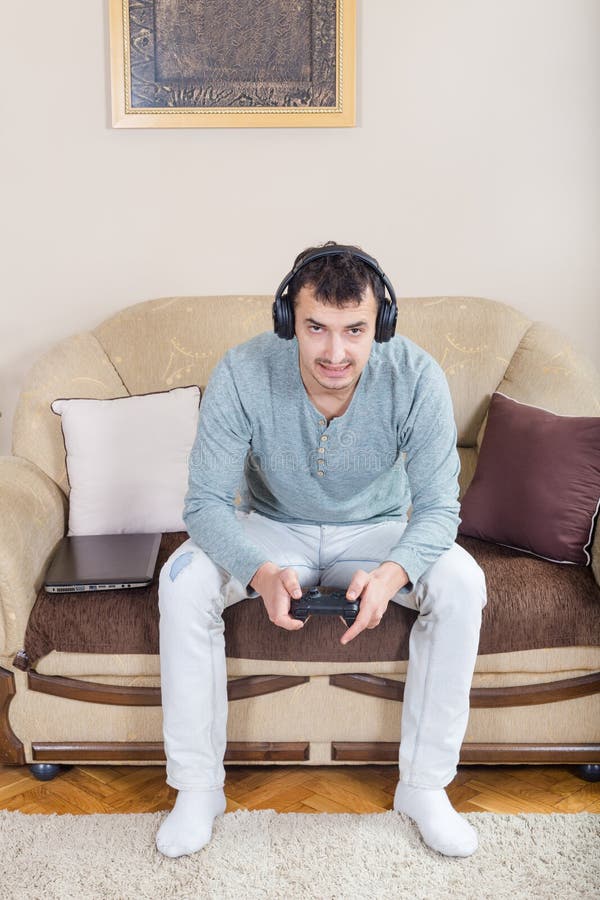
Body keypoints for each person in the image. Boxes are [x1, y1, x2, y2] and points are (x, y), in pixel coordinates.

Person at [156, 242, 487, 859]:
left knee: (464, 582)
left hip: (377, 533)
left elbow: (440, 509)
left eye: (355, 330)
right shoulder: (242, 371)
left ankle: (424, 787)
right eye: (316, 328)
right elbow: (204, 504)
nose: (335, 353)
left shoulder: (417, 377)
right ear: (290, 321)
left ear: (380, 324)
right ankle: (198, 789)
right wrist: (258, 572)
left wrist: (392, 574)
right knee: (181, 578)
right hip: (271, 528)